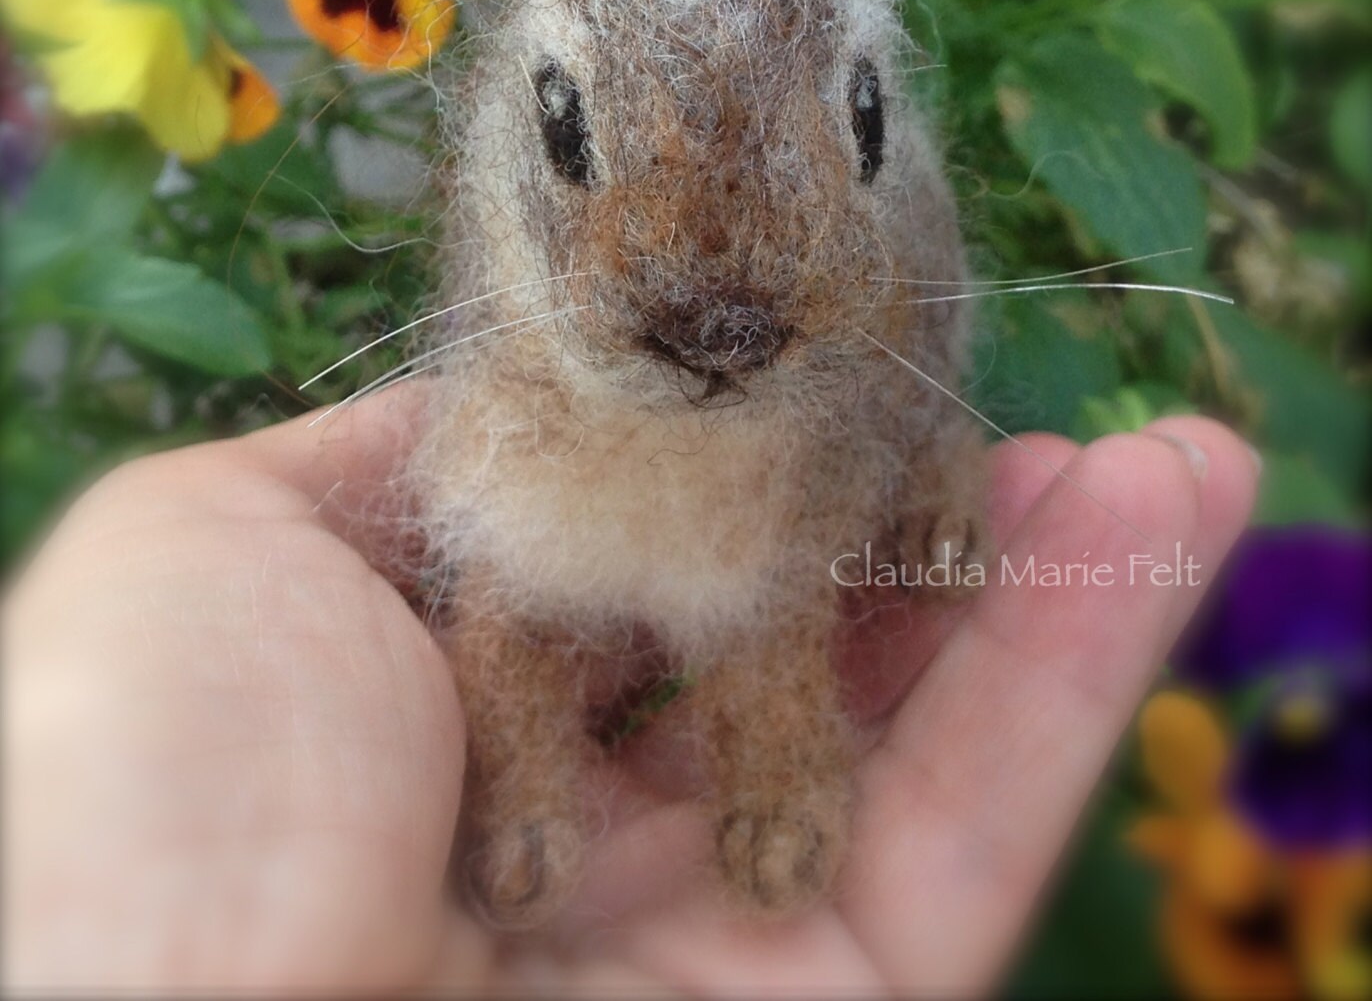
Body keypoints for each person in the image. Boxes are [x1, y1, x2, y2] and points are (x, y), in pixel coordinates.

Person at [1, 388, 1258, 994]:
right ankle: (527, 798)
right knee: (512, 604)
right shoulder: (512, 382)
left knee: (775, 597)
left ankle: (783, 770)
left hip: (793, 423)